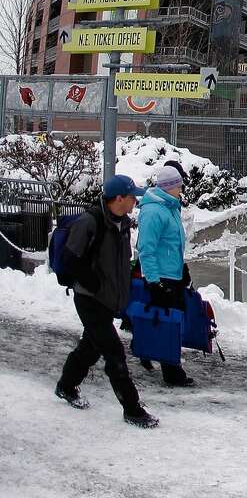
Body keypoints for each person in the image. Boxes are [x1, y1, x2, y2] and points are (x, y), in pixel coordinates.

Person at [56, 174, 159, 428]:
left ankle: (66, 386)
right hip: (89, 298)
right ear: (119, 198)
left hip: (107, 299)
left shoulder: (121, 223)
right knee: (114, 353)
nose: (136, 200)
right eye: (132, 196)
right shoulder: (90, 223)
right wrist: (92, 282)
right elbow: (70, 258)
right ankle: (132, 409)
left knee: (90, 347)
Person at [138, 163, 195, 387]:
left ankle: (149, 352)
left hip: (173, 273)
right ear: (169, 187)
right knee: (167, 325)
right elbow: (146, 249)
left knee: (169, 321)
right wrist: (153, 281)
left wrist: (182, 268)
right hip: (161, 277)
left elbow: (173, 244)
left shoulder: (171, 207)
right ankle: (172, 373)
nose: (181, 190)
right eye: (179, 186)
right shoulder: (154, 211)